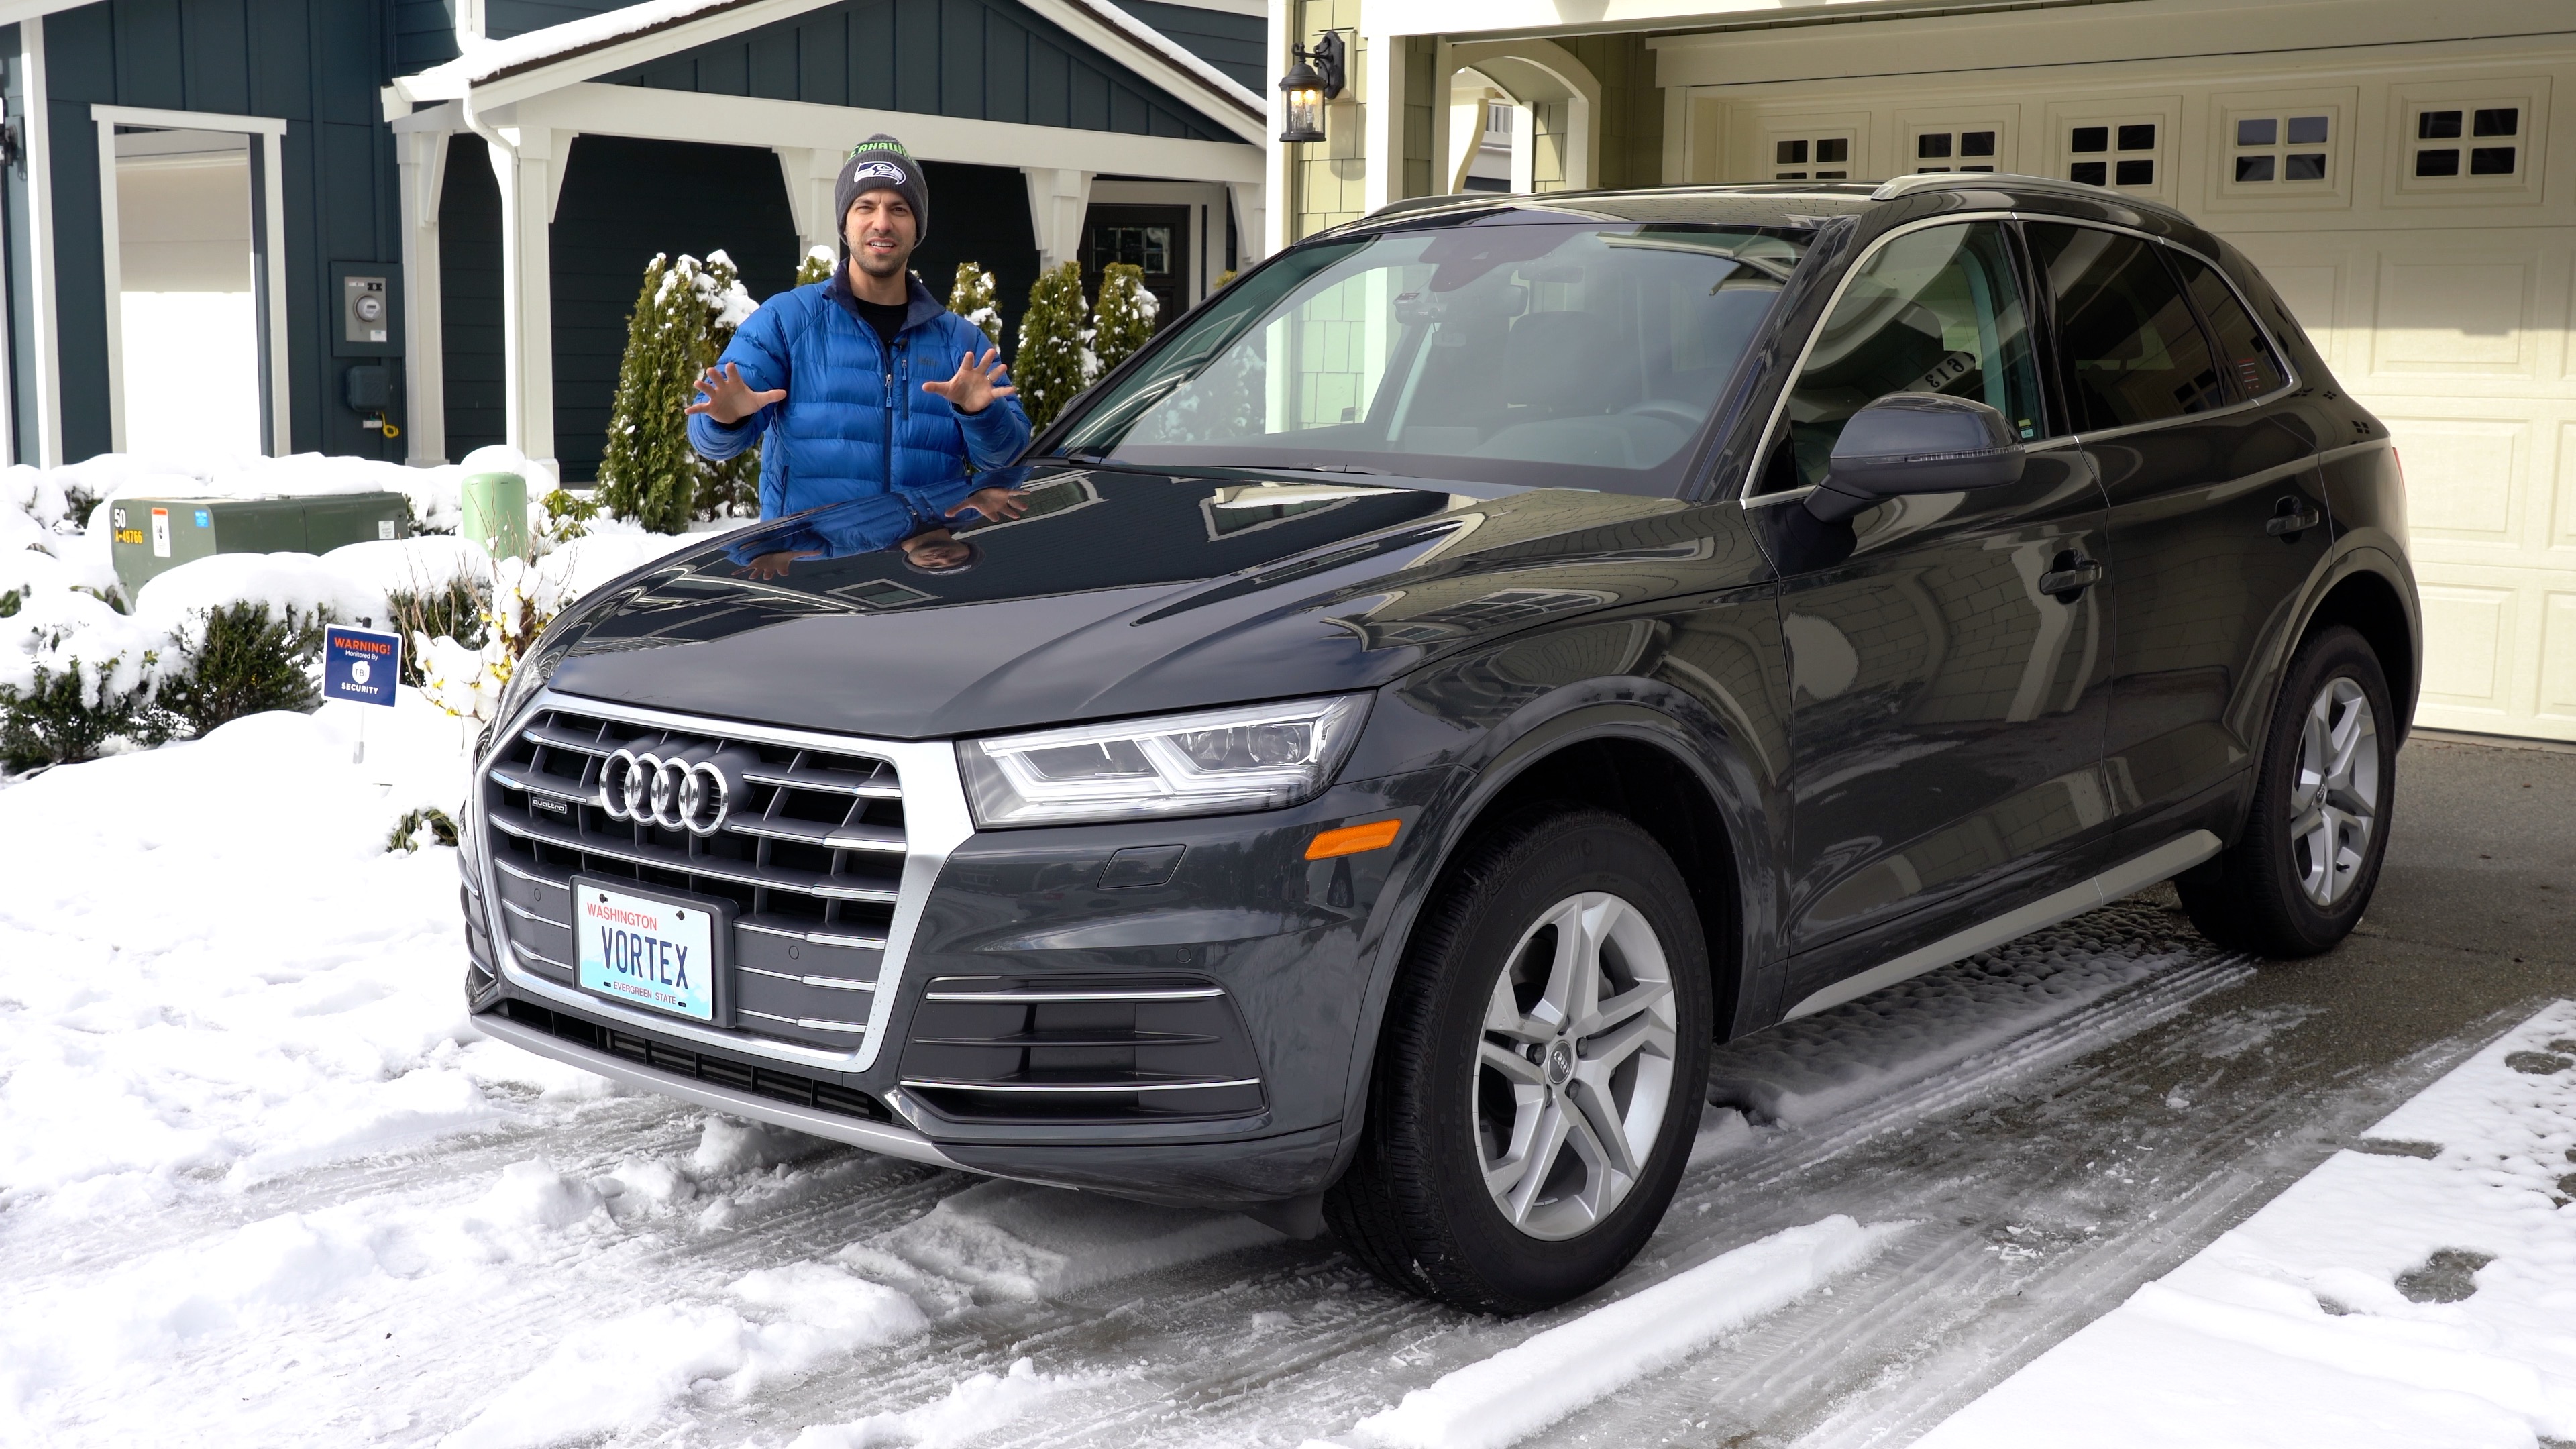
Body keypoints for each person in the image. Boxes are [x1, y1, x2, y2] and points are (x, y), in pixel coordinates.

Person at [686, 134, 1033, 536]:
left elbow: (1010, 463)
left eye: (899, 209)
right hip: (813, 571)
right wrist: (726, 421)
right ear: (845, 222)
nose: (882, 223)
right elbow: (709, 441)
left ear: (917, 226)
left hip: (922, 573)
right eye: (865, 206)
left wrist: (981, 415)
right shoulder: (787, 321)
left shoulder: (962, 344)